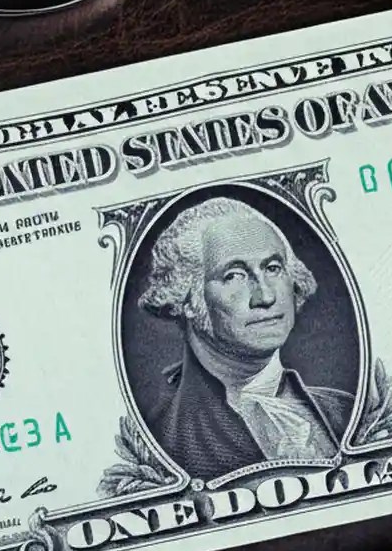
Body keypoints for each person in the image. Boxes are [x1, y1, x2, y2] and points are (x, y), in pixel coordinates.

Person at [137, 196, 354, 482]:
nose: (265, 296)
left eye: (273, 268)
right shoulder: (159, 443)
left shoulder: (346, 410)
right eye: (234, 275)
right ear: (186, 297)